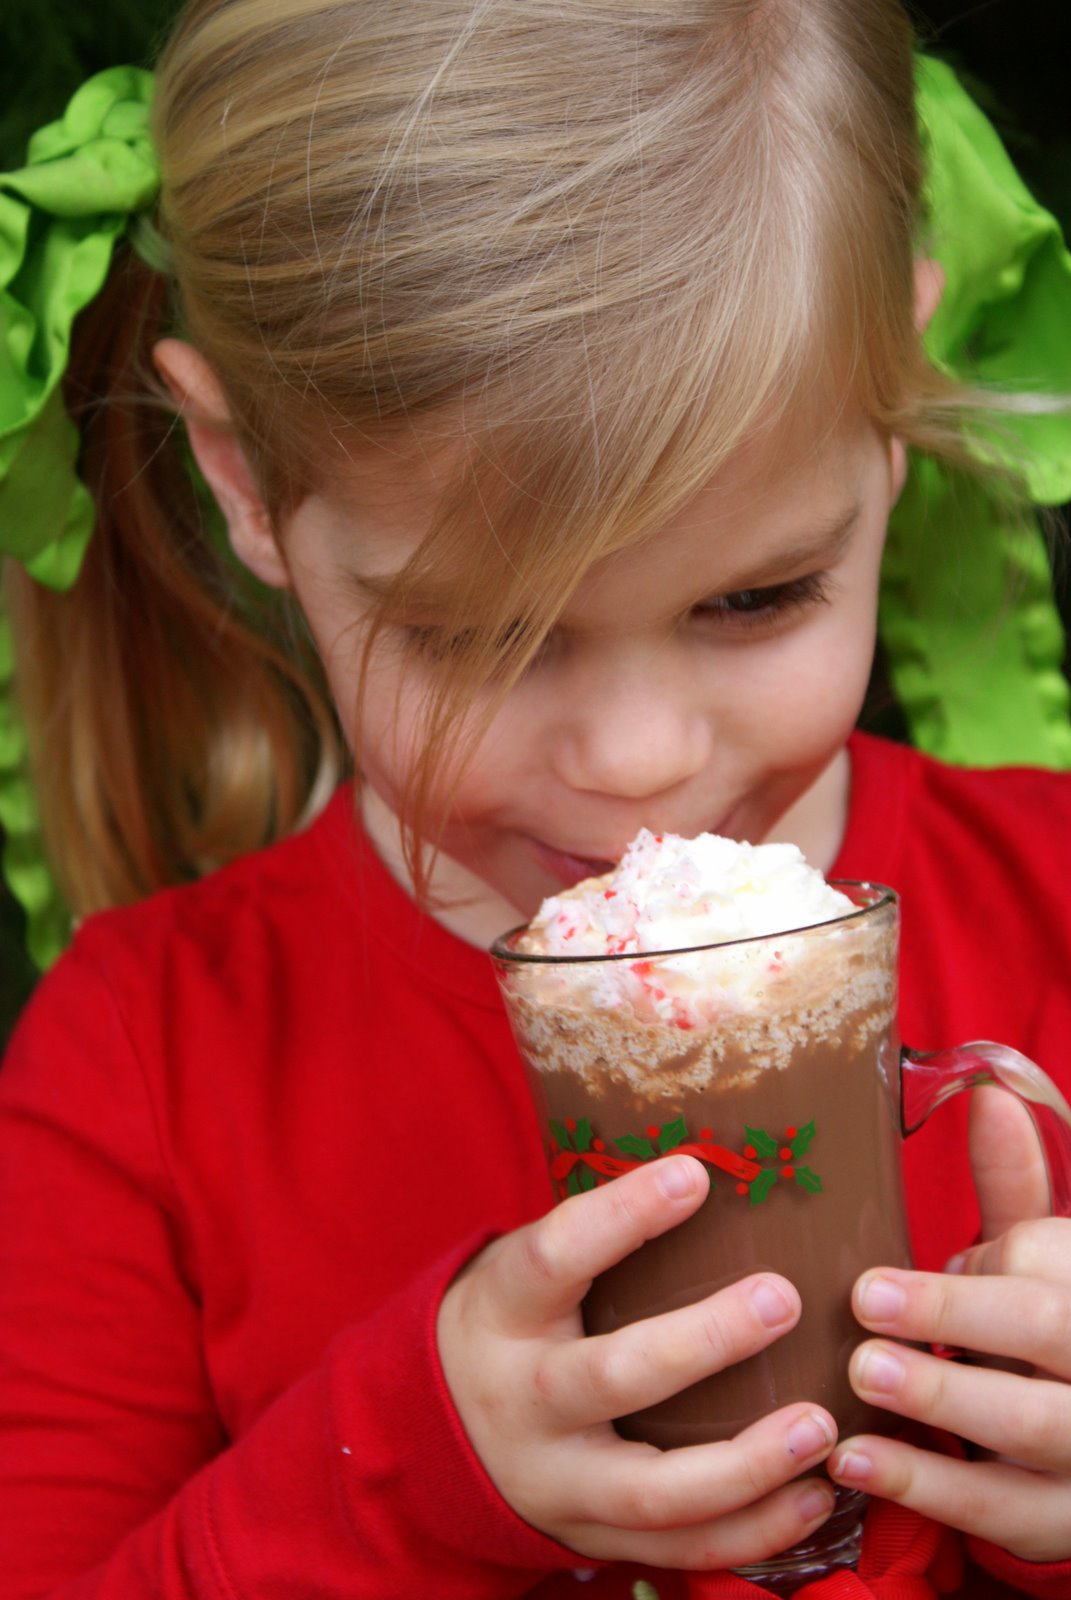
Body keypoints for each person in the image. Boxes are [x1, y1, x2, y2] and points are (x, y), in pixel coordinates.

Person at [1, 2, 1071, 1596]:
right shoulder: (140, 1066)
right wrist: (409, 1486)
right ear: (245, 483)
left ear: (892, 429)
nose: (637, 761)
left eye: (757, 596)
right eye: (476, 635)